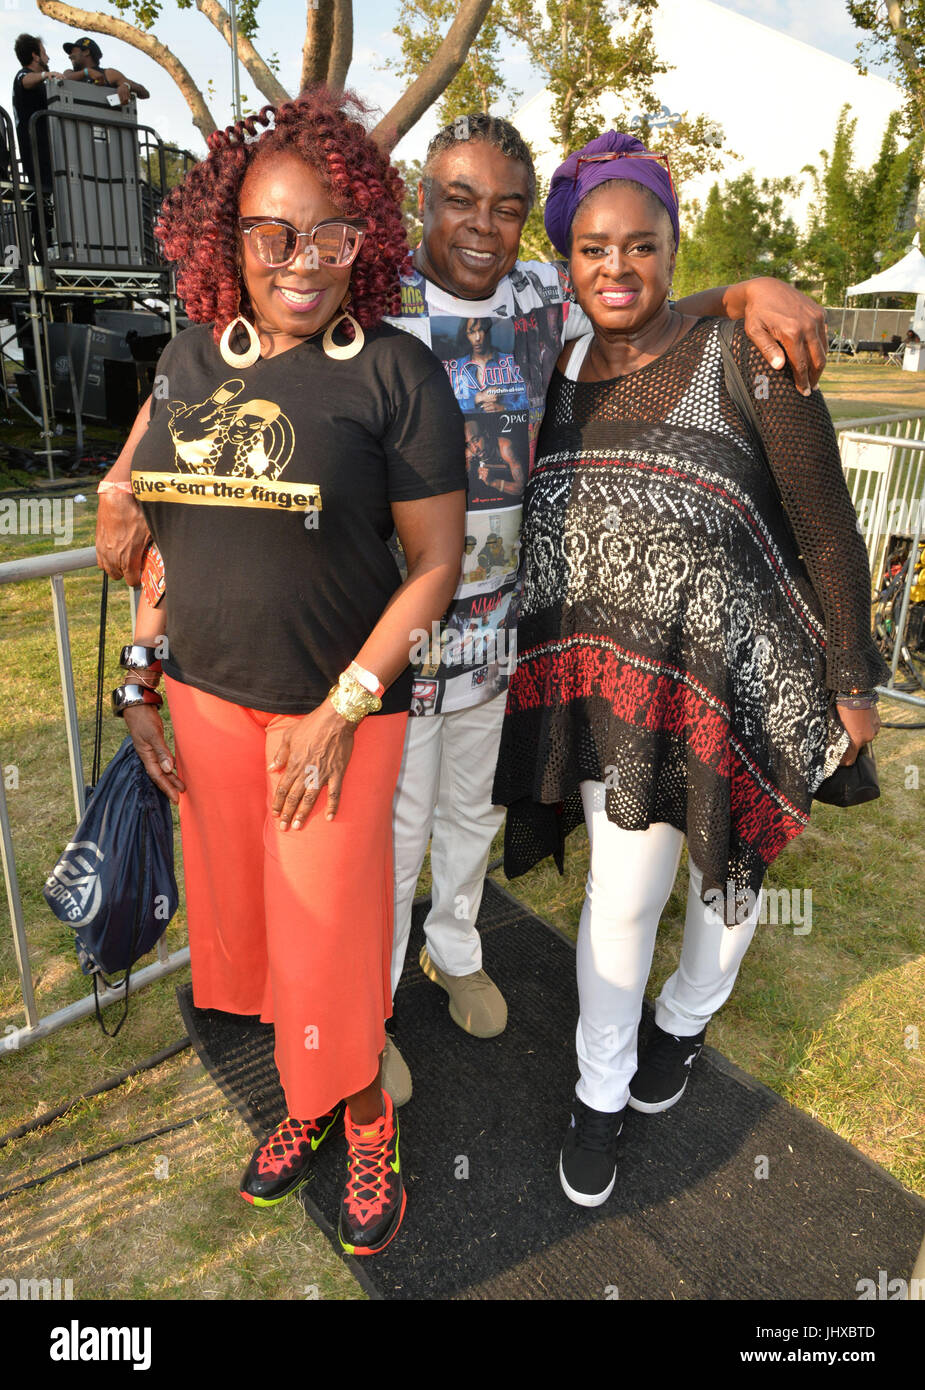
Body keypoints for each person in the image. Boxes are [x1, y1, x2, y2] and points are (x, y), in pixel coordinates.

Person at [96, 112, 830, 1108]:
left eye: (507, 207)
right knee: (383, 841)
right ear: (417, 204)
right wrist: (118, 478)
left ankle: (456, 948)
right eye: (458, 198)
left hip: (493, 632)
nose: (481, 224)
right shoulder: (363, 294)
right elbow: (221, 361)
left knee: (466, 819)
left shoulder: (537, 295)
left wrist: (745, 291)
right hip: (384, 641)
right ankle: (375, 1000)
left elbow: (648, 304)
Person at [490, 131, 887, 1208]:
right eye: (590, 249)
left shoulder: (746, 357)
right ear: (564, 259)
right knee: (620, 898)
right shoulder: (551, 365)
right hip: (612, 689)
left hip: (741, 677)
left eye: (642, 247)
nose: (616, 269)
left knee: (728, 873)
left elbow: (827, 526)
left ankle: (685, 1018)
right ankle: (599, 1089)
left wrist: (853, 680)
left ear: (673, 248)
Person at [111, 88, 464, 1256]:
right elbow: (165, 538)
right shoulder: (185, 360)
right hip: (206, 710)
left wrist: (342, 708)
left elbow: (435, 566)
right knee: (259, 943)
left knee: (327, 945)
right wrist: (138, 680)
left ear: (363, 234)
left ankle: (364, 1119)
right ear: (232, 241)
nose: (300, 261)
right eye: (272, 234)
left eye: (327, 232)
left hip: (340, 720)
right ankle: (305, 1102)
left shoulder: (397, 373)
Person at [12, 34, 62, 191]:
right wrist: (45, 75)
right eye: (44, 53)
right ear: (35, 56)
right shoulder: (23, 75)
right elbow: (25, 80)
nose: (48, 58)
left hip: (47, 151)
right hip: (35, 152)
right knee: (44, 199)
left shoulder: (40, 83)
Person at [63, 36, 149, 105]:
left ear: (86, 52)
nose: (70, 56)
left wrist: (126, 86)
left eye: (73, 52)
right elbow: (64, 80)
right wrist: (87, 72)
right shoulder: (69, 73)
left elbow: (145, 93)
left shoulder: (108, 74)